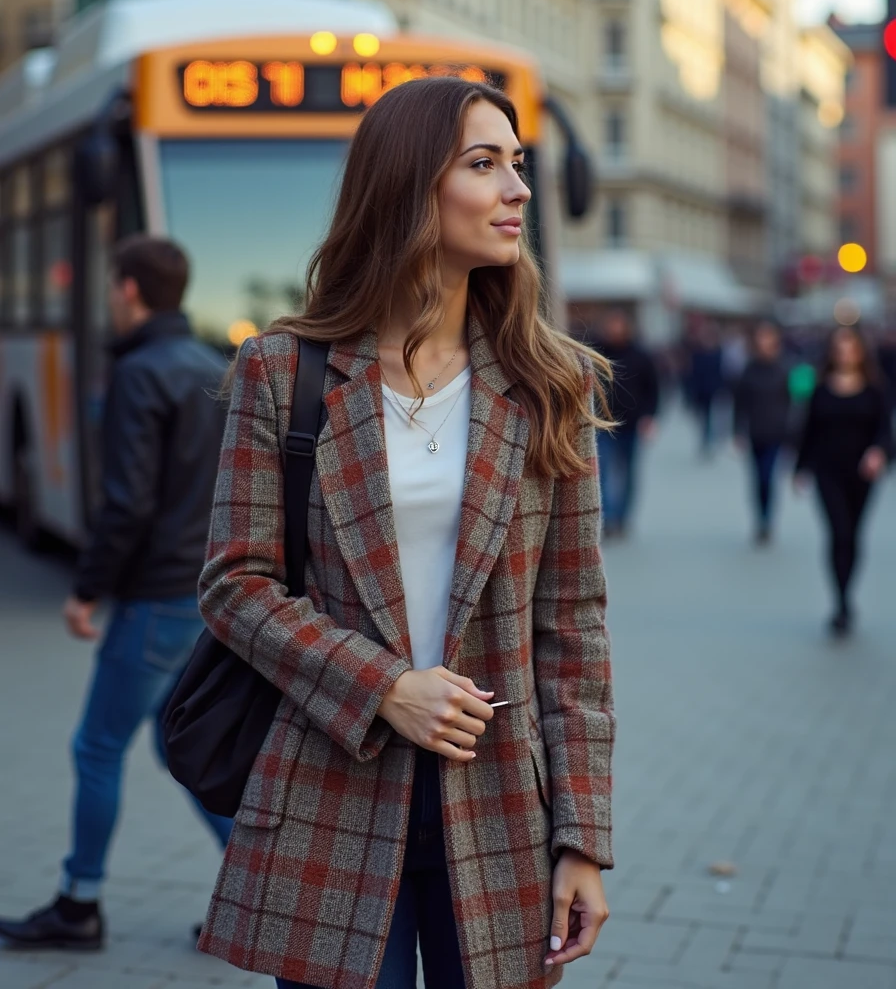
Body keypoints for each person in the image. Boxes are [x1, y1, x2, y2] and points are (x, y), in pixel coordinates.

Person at [195, 77, 616, 989]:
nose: (519, 190)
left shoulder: (553, 385)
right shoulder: (283, 372)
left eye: (518, 165)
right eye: (483, 164)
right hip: (328, 795)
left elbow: (572, 628)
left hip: (502, 807)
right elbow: (236, 583)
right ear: (408, 187)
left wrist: (583, 839)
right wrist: (385, 686)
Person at [0, 237, 232, 951]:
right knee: (177, 749)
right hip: (203, 592)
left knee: (97, 747)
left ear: (130, 290)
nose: (109, 299)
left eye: (111, 288)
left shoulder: (137, 373)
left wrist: (87, 589)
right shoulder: (208, 367)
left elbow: (128, 502)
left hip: (155, 596)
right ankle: (259, 889)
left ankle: (79, 904)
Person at [794, 326, 892, 635]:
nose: (844, 354)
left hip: (862, 474)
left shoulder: (876, 388)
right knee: (838, 534)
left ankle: (847, 594)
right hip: (828, 470)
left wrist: (879, 453)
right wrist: (800, 468)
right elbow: (807, 430)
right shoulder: (820, 388)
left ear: (861, 352)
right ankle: (840, 603)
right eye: (839, 349)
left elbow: (886, 432)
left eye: (850, 348)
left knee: (853, 535)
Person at [587, 309, 659, 539]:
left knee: (628, 472)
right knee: (604, 472)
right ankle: (608, 518)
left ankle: (623, 517)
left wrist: (649, 417)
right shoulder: (595, 353)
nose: (614, 330)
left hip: (632, 423)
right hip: (602, 423)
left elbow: (653, 389)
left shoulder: (640, 355)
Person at [733, 321, 792, 544]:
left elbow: (797, 402)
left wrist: (794, 432)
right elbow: (739, 402)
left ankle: (768, 520)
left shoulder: (786, 367)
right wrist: (737, 431)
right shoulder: (749, 368)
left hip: (778, 432)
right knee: (757, 479)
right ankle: (760, 518)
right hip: (755, 431)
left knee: (768, 476)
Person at [685, 321, 724, 456]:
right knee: (702, 416)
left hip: (711, 391)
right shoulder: (697, 353)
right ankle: (706, 438)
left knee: (709, 416)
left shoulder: (717, 353)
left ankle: (708, 439)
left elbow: (720, 373)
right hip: (700, 391)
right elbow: (693, 373)